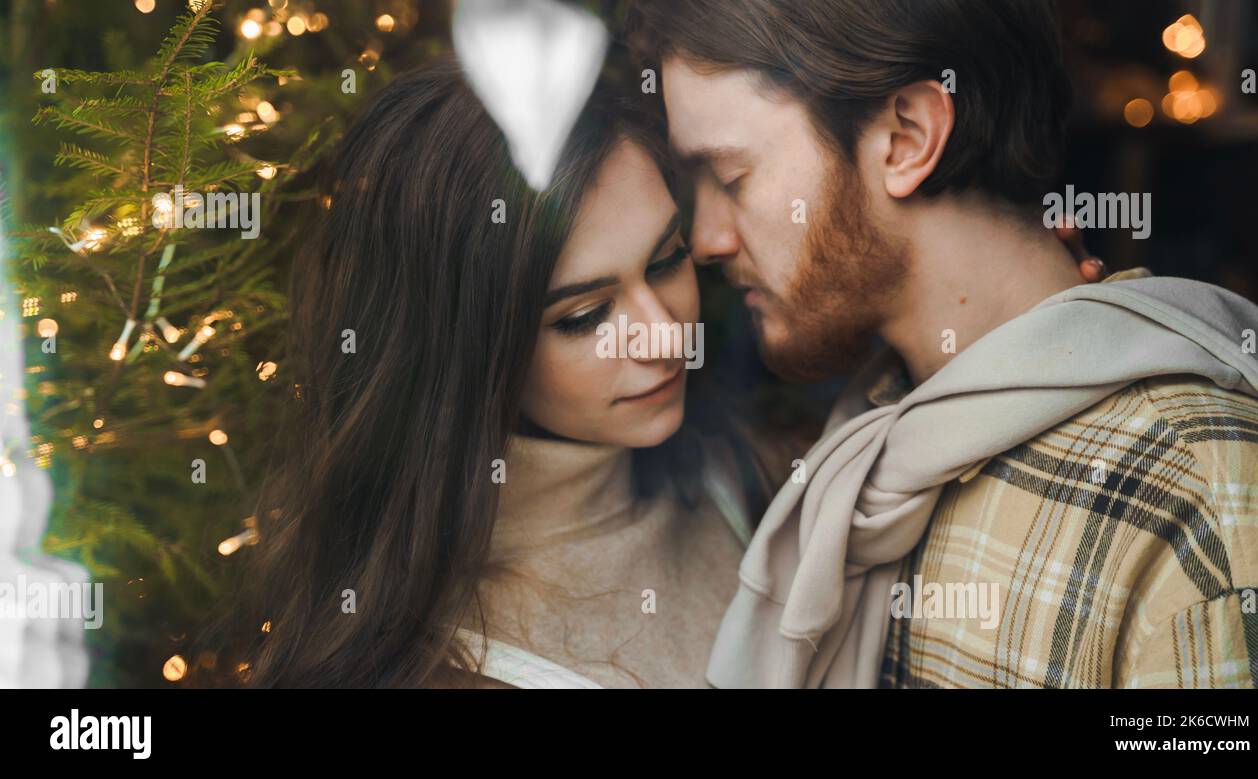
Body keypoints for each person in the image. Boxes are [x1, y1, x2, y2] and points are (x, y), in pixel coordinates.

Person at [192, 48, 1111, 689]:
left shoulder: (745, 467)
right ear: (466, 352)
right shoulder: (442, 657)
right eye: (585, 315)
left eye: (667, 261)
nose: (663, 334)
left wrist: (1030, 321)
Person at [631, 0, 1258, 688]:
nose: (707, 237)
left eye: (732, 178)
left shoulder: (1196, 503)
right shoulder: (874, 435)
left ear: (907, 137)